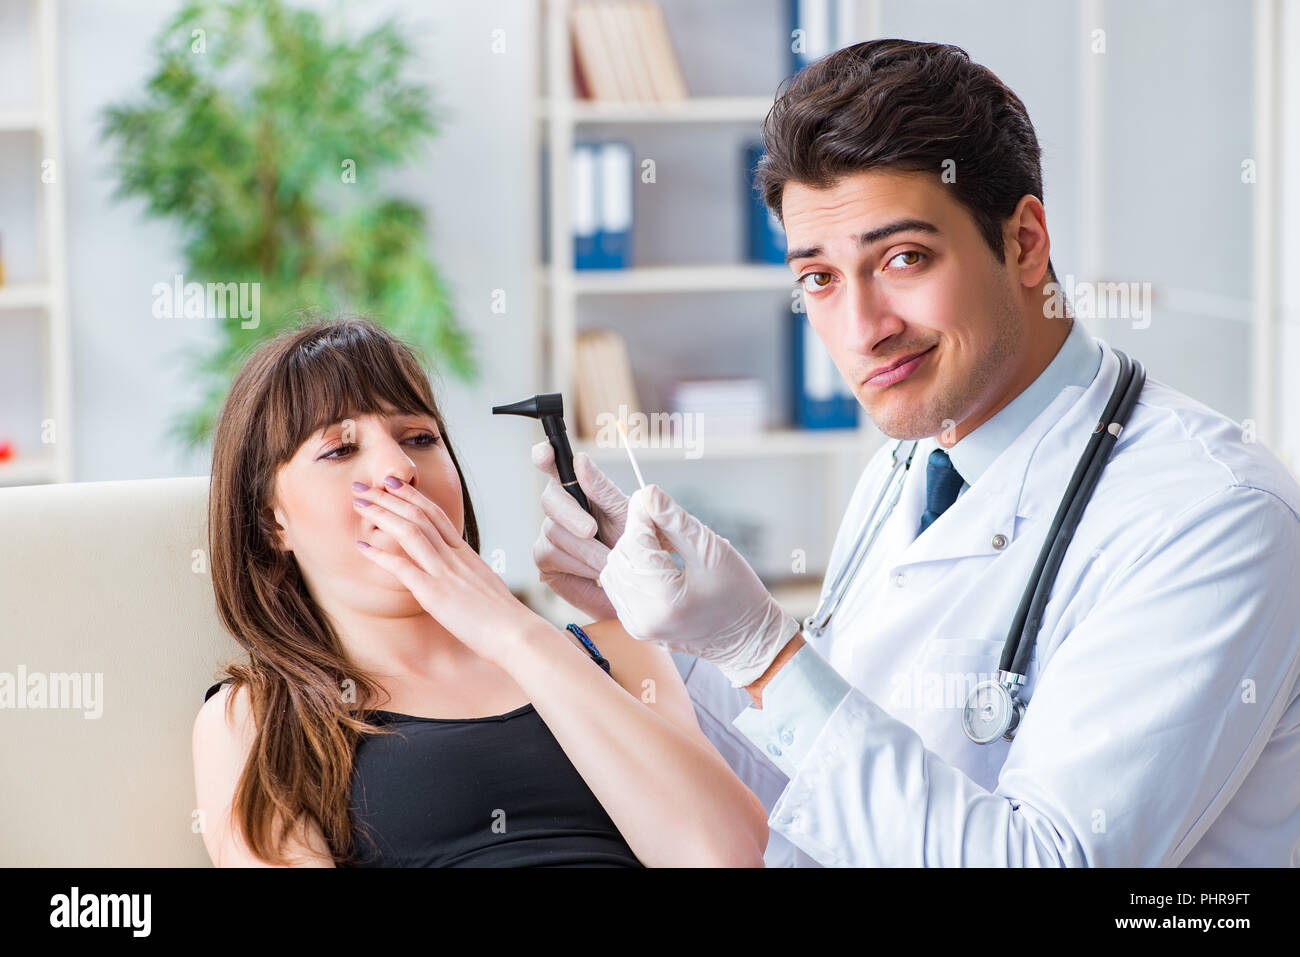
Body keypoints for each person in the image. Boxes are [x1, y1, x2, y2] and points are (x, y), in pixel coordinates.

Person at [532, 39, 1300, 866]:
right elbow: (818, 790)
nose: (863, 330)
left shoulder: (1212, 515)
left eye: (903, 259)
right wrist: (680, 633)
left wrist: (767, 650)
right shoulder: (916, 457)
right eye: (820, 278)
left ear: (1025, 241)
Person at [191, 315, 768, 867]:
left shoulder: (618, 650)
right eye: (341, 450)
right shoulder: (260, 720)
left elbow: (727, 854)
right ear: (272, 522)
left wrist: (512, 633)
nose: (397, 468)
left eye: (419, 437)